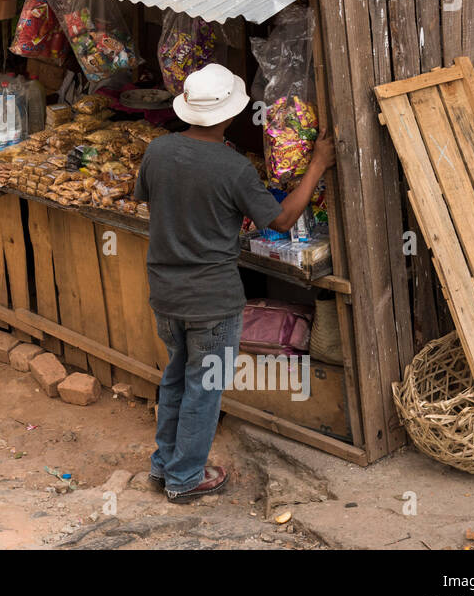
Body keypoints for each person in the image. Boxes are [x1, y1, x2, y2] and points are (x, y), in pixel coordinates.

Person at [133, 63, 335, 501]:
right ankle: (185, 479)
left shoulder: (158, 151)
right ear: (229, 114)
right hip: (212, 299)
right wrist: (317, 165)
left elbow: (156, 203)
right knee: (204, 388)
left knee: (175, 378)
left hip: (165, 292)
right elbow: (281, 220)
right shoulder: (234, 168)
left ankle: (163, 467)